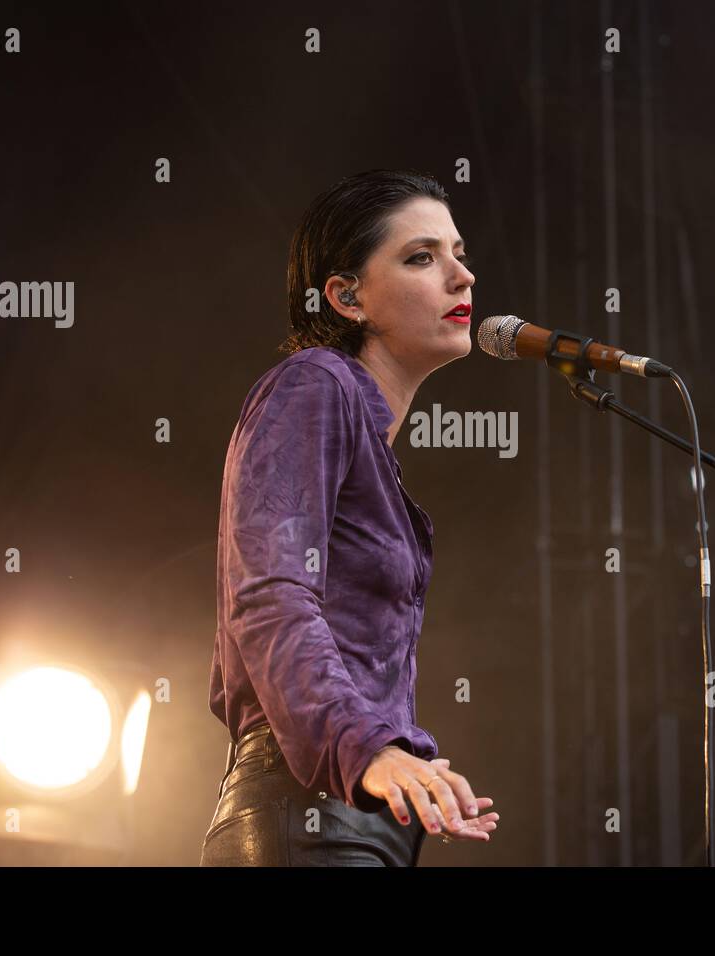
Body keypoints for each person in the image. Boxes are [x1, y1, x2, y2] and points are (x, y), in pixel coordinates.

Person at [200, 169, 500, 866]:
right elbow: (271, 595)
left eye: (459, 252)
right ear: (345, 296)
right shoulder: (314, 384)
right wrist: (362, 747)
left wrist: (403, 756)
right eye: (422, 257)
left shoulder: (362, 434)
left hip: (347, 823)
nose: (462, 276)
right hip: (307, 815)